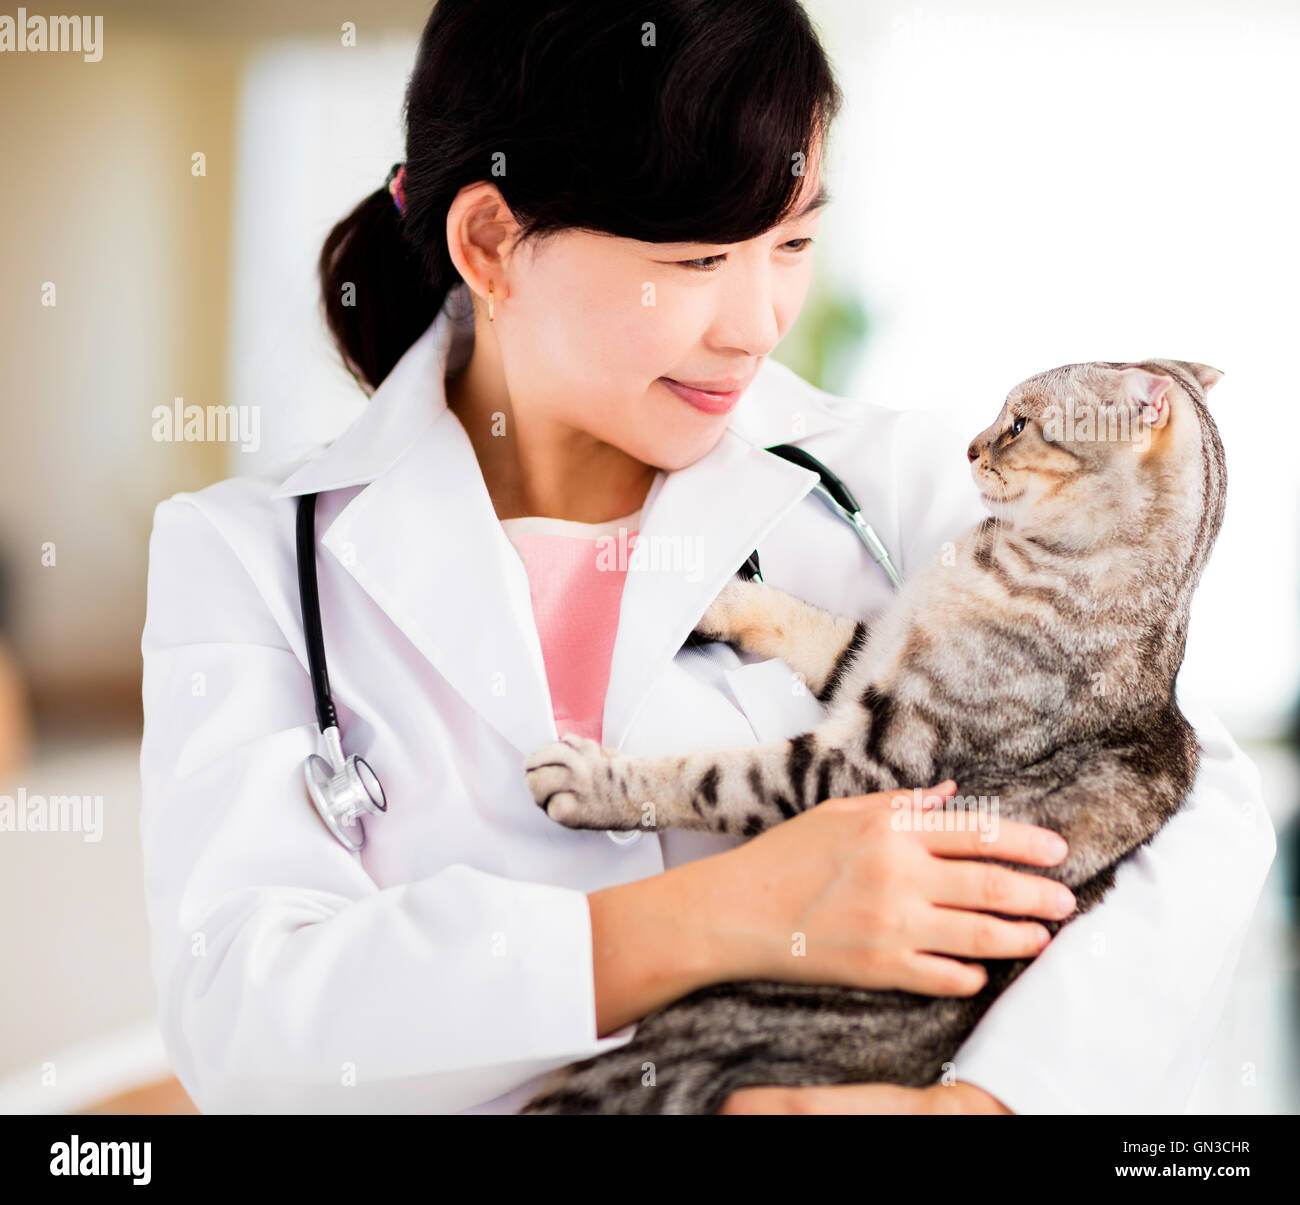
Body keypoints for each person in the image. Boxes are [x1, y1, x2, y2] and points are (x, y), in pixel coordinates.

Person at [139, 0, 1276, 1115]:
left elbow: (1193, 805)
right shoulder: (248, 554)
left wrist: (984, 1102)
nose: (758, 321)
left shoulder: (896, 486)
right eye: (693, 261)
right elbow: (246, 1019)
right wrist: (740, 906)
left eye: (790, 243)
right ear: (490, 241)